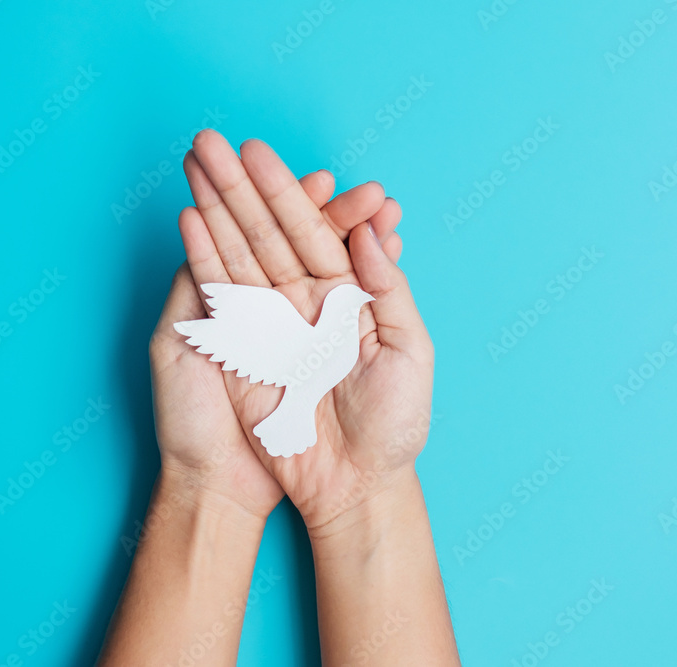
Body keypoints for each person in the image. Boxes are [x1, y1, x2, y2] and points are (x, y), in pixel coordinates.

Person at [98, 129, 461, 666]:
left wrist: (365, 491)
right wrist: (209, 482)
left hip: (299, 409)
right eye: (349, 300)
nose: (354, 302)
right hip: (289, 404)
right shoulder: (315, 334)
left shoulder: (337, 344)